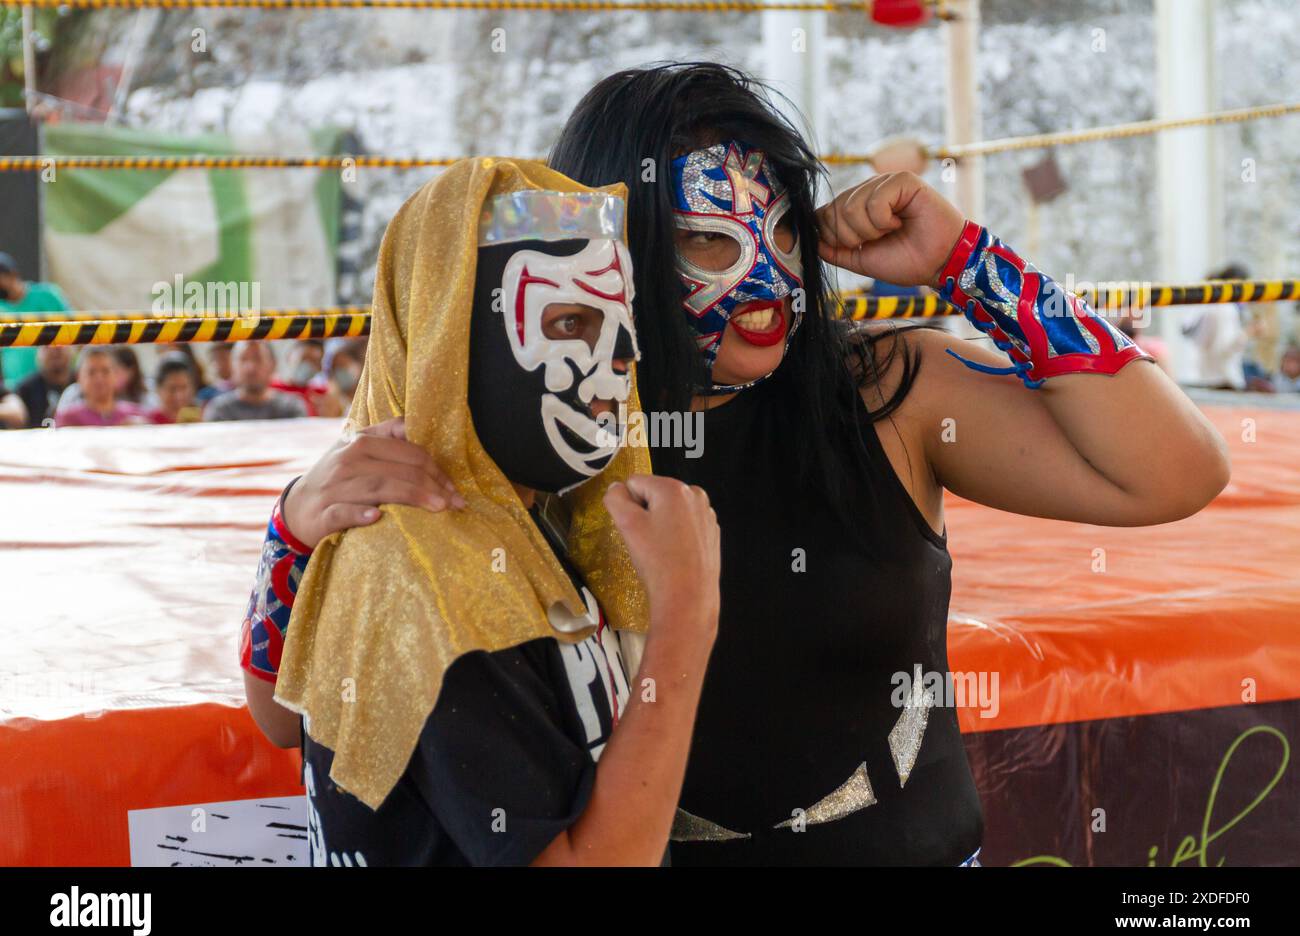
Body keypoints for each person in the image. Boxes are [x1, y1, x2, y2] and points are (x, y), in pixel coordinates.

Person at [247, 64, 1230, 866]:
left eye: (789, 230)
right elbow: (289, 719)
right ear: (608, 247)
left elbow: (1175, 472)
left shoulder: (888, 386)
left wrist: (967, 262)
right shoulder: (541, 424)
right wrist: (292, 532)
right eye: (710, 241)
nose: (769, 273)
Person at [242, 158, 721, 866]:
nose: (620, 356)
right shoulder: (431, 567)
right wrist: (686, 616)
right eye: (569, 320)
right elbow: (281, 715)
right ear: (449, 342)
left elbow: (284, 714)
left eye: (621, 324)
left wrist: (291, 540)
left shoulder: (527, 525)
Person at [0, 252, 72, 390]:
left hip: (54, 382)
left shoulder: (48, 295)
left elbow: (74, 333)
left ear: (12, 275)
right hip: (15, 386)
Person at [1181, 264, 1250, 390]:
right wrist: (1248, 333)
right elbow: (1223, 350)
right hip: (1223, 381)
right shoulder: (1226, 308)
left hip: (1202, 378)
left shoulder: (1209, 306)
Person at [203, 340, 308, 422]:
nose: (250, 367)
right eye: (243, 359)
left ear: (273, 364)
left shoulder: (291, 407)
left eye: (258, 358)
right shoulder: (219, 410)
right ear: (232, 366)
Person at [53, 346, 155, 427]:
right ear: (79, 377)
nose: (99, 379)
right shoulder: (68, 418)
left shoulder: (136, 414)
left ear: (116, 375)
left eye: (105, 371)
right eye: (91, 372)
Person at [14, 346, 73, 428]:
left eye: (60, 346)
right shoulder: (25, 389)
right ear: (39, 353)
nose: (54, 351)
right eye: (47, 347)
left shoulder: (81, 384)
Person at [153, 354, 202, 424]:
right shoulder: (149, 422)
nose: (179, 396)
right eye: (172, 389)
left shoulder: (204, 418)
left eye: (184, 387)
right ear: (158, 389)